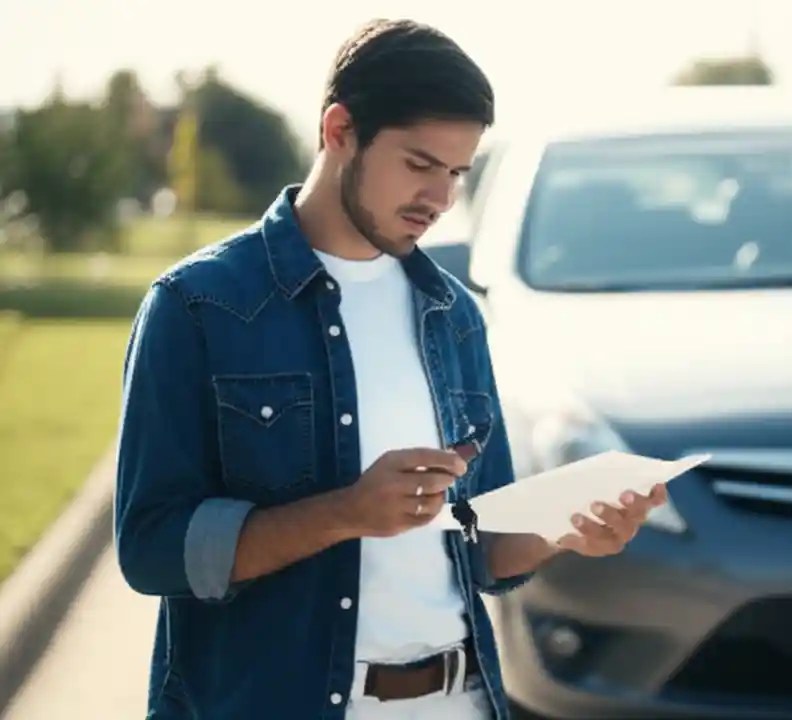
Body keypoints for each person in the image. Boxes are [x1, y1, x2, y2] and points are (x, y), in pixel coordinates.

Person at [113, 18, 666, 720]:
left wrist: (569, 529)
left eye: (457, 174)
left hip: (460, 701)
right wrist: (345, 513)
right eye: (419, 164)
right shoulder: (197, 307)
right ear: (340, 130)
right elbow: (153, 548)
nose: (439, 199)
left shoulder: (454, 314)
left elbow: (480, 538)